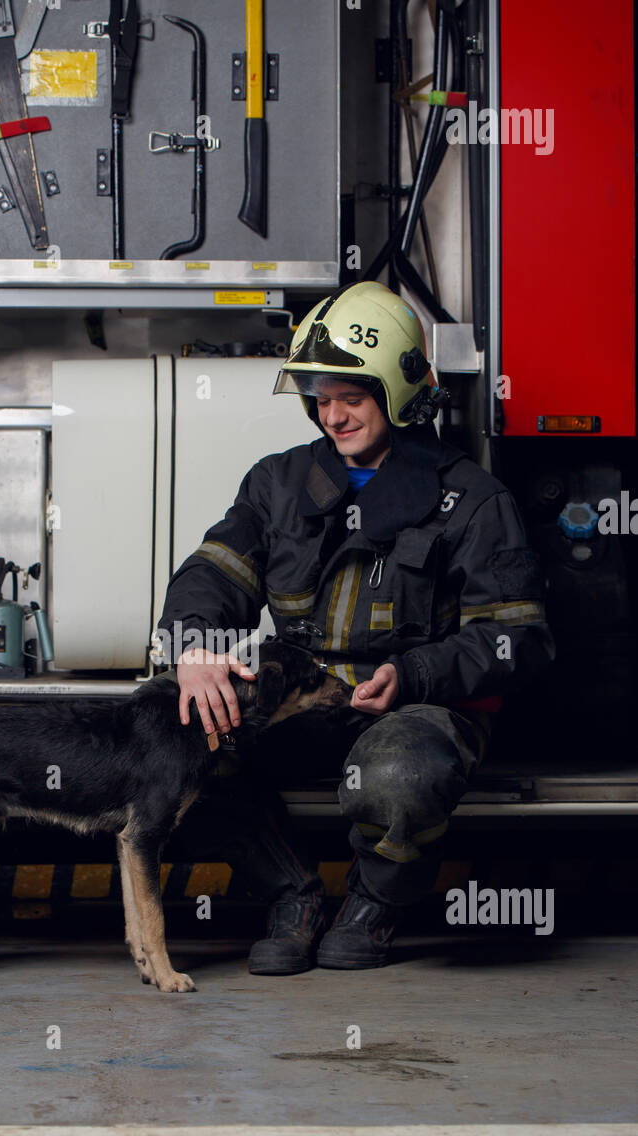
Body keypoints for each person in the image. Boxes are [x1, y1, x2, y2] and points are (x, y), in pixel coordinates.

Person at [155, 281, 555, 974]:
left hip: (417, 706)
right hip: (302, 700)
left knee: (397, 773)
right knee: (181, 746)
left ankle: (375, 903)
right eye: (320, 396)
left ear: (399, 393)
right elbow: (212, 576)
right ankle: (293, 896)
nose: (332, 416)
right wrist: (194, 646)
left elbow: (520, 640)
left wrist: (416, 674)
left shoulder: (474, 499)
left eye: (352, 397)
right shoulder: (277, 484)